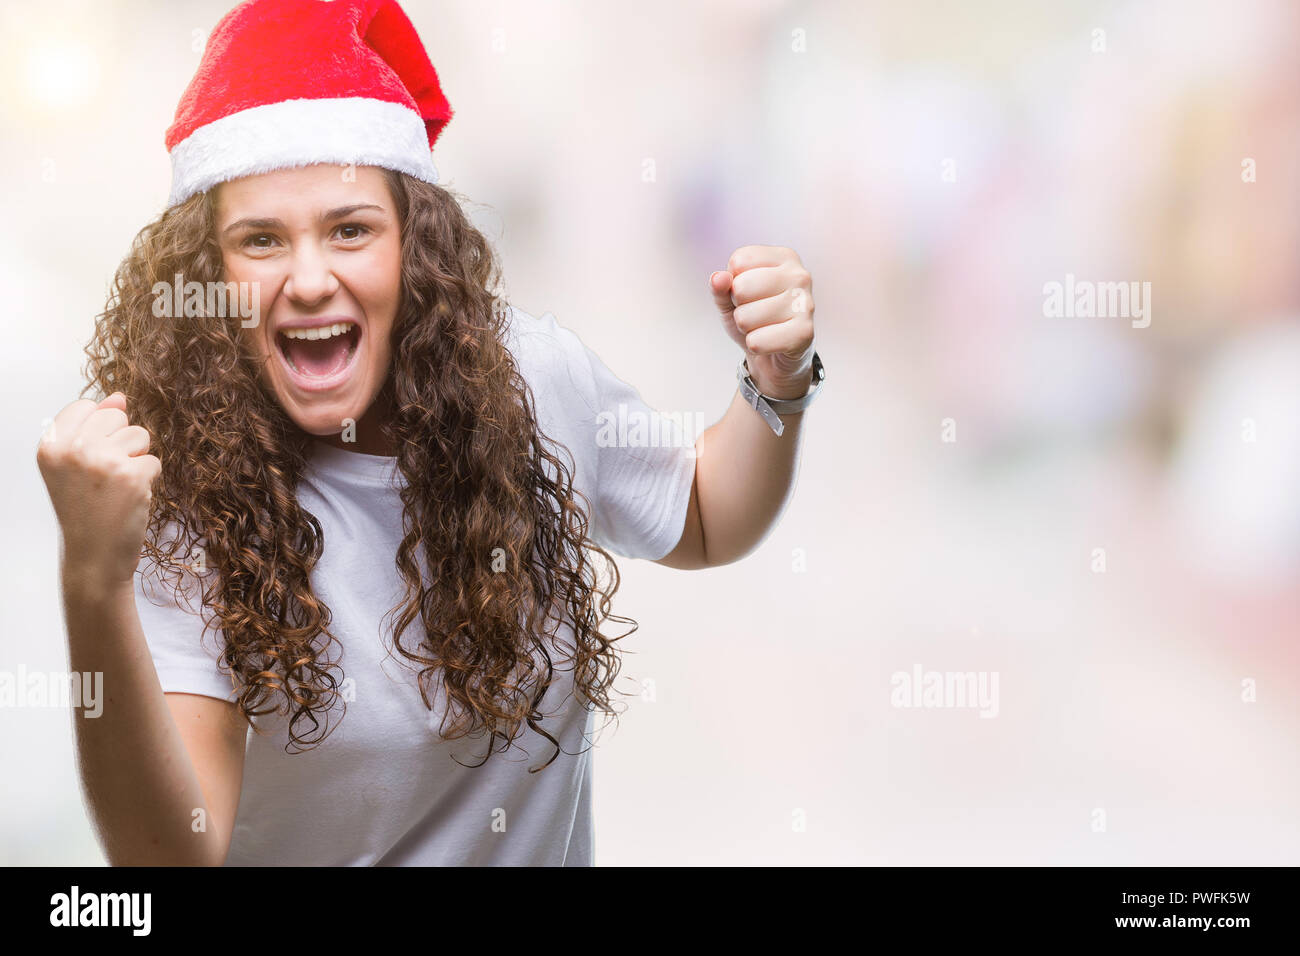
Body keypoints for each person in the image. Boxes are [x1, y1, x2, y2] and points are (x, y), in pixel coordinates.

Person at [35, 0, 824, 866]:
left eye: (350, 230)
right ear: (208, 275)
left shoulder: (532, 378)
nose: (308, 279)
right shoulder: (181, 492)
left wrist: (774, 383)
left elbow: (708, 514)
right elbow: (169, 860)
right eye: (260, 240)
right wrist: (92, 578)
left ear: (414, 246)